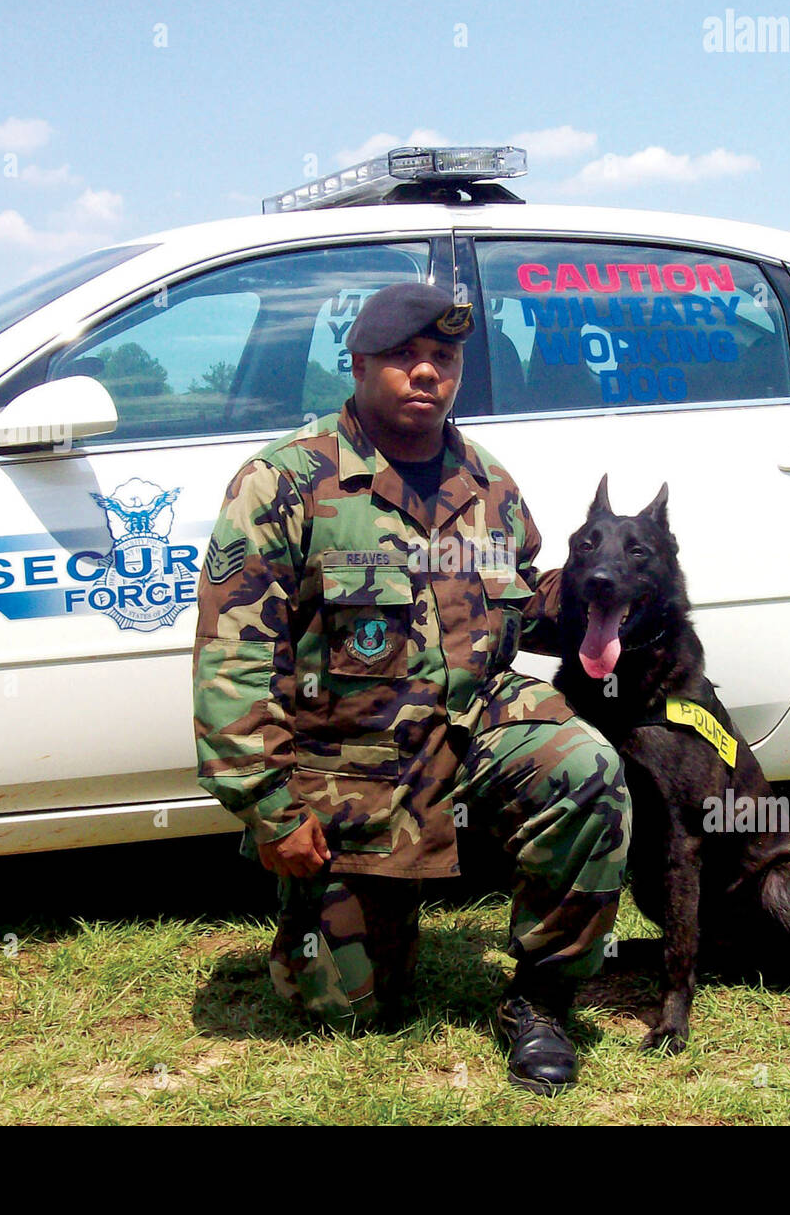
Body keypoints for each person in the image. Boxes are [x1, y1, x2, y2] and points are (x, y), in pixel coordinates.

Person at [192, 281, 631, 1094]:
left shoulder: (486, 481)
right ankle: (363, 917)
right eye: (404, 356)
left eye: (444, 357)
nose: (427, 372)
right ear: (358, 364)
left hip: (470, 728)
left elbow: (516, 599)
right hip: (352, 766)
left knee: (585, 766)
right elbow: (234, 663)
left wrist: (589, 591)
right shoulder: (285, 483)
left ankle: (540, 996)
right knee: (346, 1010)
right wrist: (272, 807)